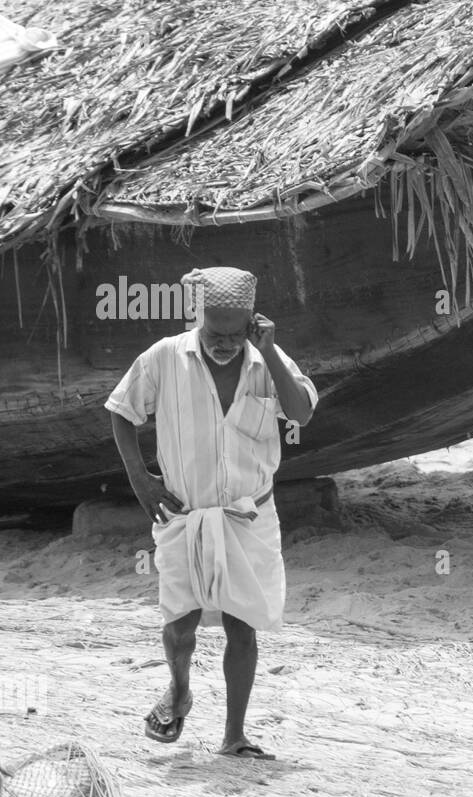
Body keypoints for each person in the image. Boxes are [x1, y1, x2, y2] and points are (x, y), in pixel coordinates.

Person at [105, 266, 318, 760]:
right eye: (213, 331)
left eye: (234, 332)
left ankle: (234, 736)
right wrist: (140, 478)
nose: (223, 342)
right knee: (181, 625)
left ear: (251, 322)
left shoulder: (267, 359)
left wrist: (266, 350)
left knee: (242, 627)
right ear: (197, 318)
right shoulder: (163, 357)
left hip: (249, 516)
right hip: (183, 515)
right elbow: (121, 410)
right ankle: (179, 689)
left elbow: (301, 414)